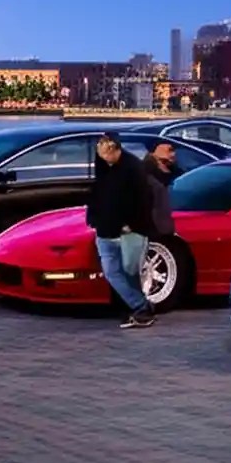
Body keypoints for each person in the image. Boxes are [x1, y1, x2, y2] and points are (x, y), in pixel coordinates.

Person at [86, 134, 157, 329]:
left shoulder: (133, 168)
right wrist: (92, 218)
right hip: (106, 230)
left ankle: (137, 308)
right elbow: (98, 194)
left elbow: (144, 198)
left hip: (127, 231)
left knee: (128, 272)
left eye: (107, 154)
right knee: (113, 272)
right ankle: (139, 307)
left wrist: (130, 224)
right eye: (101, 155)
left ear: (116, 150)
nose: (104, 159)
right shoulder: (104, 167)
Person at [143, 141, 178, 239]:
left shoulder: (175, 171)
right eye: (169, 150)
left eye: (173, 150)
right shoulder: (146, 173)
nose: (173, 154)